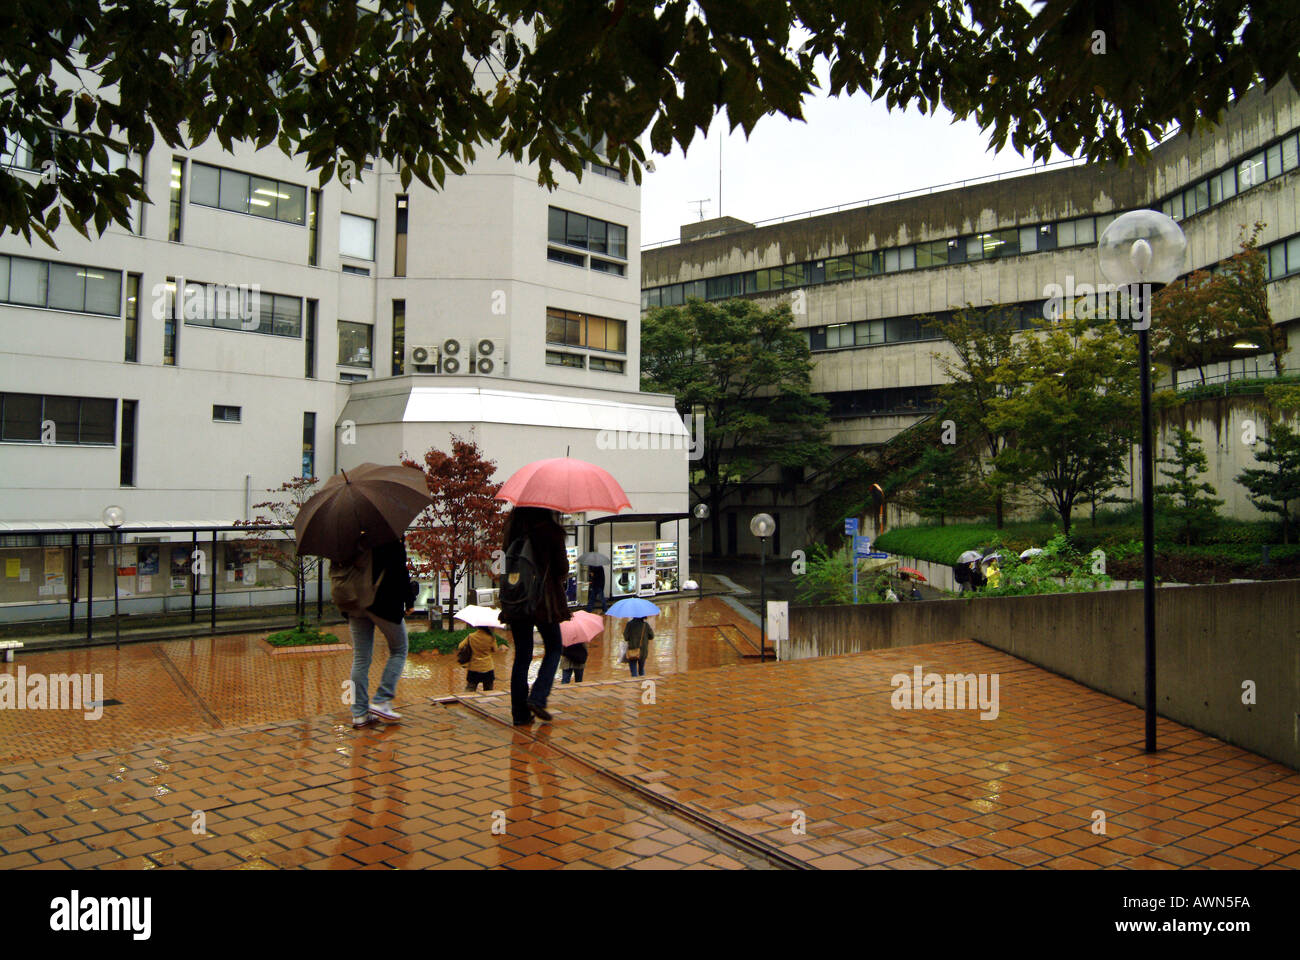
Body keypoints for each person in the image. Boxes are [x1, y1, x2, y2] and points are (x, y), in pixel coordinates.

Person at [500, 507, 571, 725]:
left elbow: (504, 562)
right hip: (544, 601)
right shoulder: (551, 531)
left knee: (522, 656)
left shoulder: (513, 528)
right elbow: (561, 568)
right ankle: (538, 698)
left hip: (517, 598)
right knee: (554, 647)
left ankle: (519, 714)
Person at [349, 534, 417, 728]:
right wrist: (409, 601)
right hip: (382, 602)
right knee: (399, 649)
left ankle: (359, 714)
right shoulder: (389, 533)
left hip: (355, 601)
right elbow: (399, 570)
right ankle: (382, 700)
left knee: (360, 658)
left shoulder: (351, 535)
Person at [458, 625, 499, 692]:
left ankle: (468, 702)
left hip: (474, 667)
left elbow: (460, 646)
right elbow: (495, 649)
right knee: (489, 691)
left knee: (470, 690)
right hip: (488, 667)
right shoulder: (491, 637)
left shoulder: (471, 636)